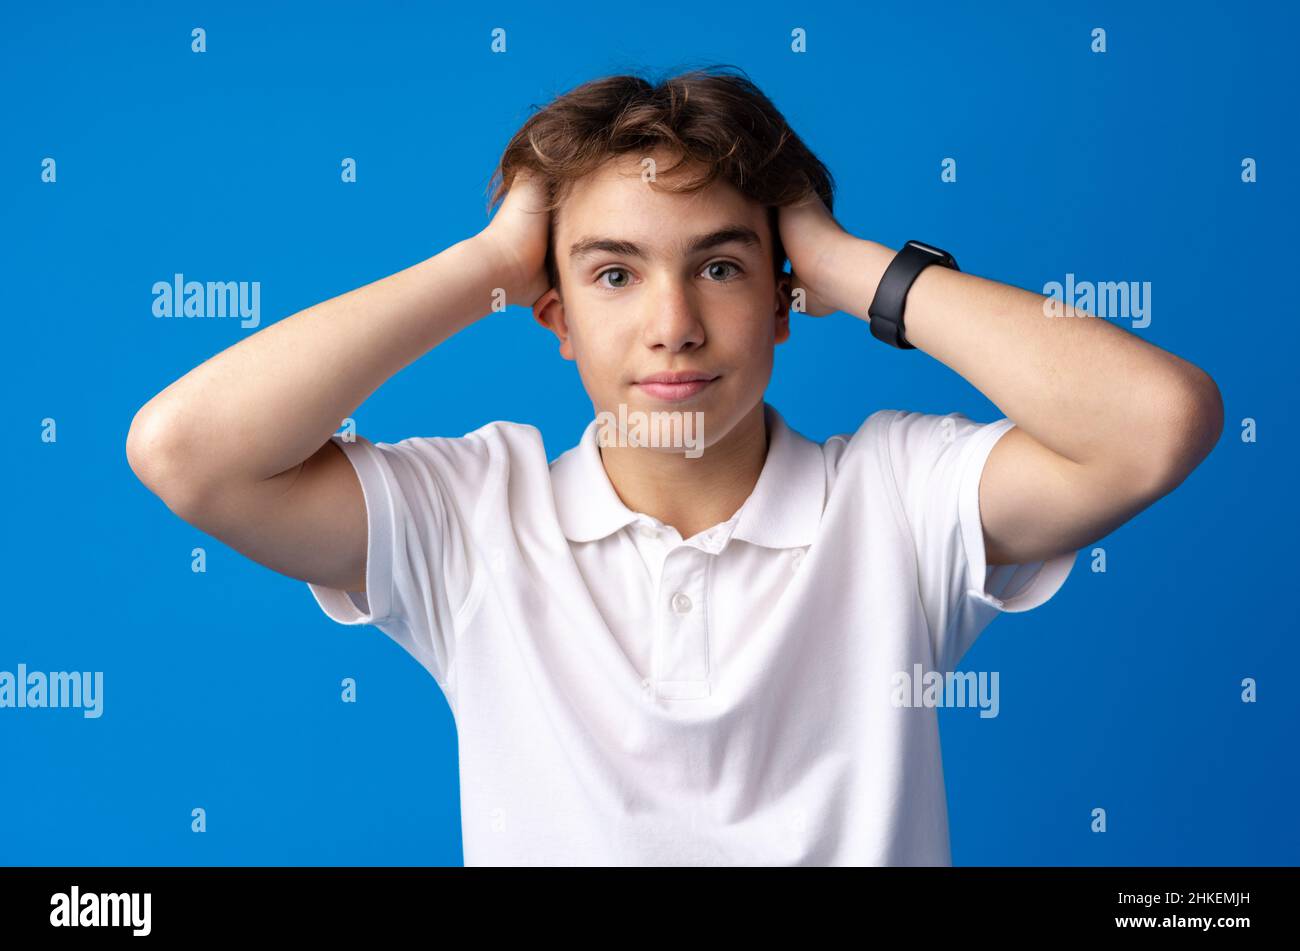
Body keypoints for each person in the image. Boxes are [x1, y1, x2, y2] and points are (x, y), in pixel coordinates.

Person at [125, 66, 1223, 865]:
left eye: (721, 265)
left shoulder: (897, 496)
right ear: (547, 309)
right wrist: (489, 263)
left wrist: (845, 261)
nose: (673, 325)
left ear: (785, 297)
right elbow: (186, 451)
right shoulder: (470, 515)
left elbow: (1156, 422)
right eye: (612, 274)